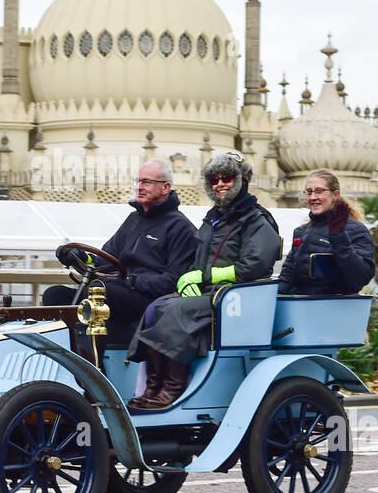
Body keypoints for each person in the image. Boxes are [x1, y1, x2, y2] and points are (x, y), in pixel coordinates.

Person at [126, 150, 281, 410]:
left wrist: (205, 276)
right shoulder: (213, 219)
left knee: (175, 310)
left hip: (236, 297)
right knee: (155, 307)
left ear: (241, 180)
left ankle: (173, 387)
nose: (220, 184)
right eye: (214, 179)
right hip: (208, 294)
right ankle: (154, 384)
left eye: (227, 178)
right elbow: (198, 258)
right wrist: (189, 277)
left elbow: (255, 265)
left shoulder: (256, 219)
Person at [43, 158, 197, 349]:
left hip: (150, 300)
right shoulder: (133, 220)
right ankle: (61, 356)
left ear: (165, 188)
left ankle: (92, 366)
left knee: (99, 293)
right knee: (54, 296)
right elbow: (105, 259)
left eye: (146, 182)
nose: (139, 187)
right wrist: (79, 257)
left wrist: (131, 281)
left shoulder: (181, 228)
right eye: (138, 181)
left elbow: (174, 279)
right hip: (118, 291)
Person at [279, 169, 375, 295]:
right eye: (309, 192)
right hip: (300, 307)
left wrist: (338, 236)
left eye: (319, 191)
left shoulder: (356, 230)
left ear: (335, 194)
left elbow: (361, 278)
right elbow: (287, 277)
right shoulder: (301, 232)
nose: (313, 197)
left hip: (332, 308)